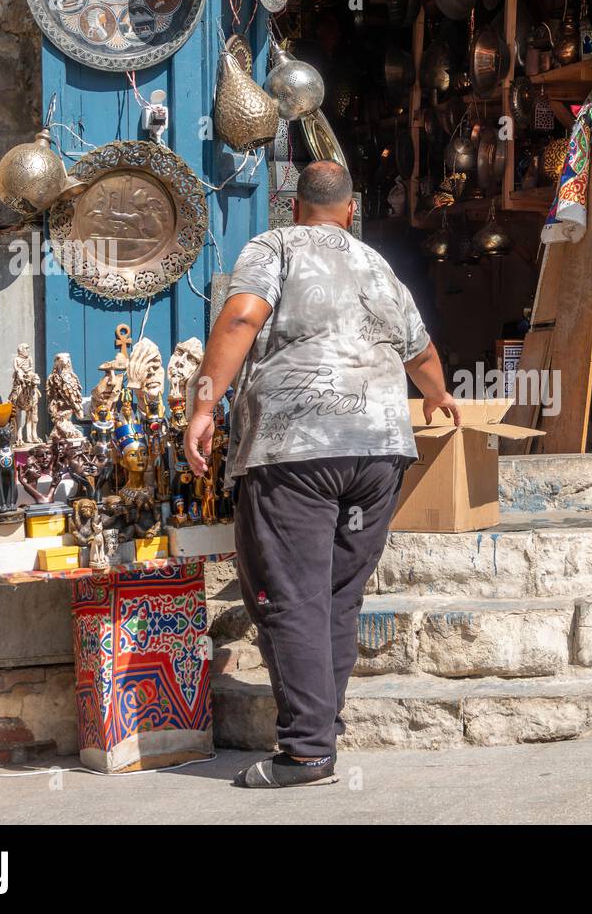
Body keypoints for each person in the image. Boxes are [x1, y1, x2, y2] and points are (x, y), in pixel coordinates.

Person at [185, 160, 459, 788]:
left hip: (297, 450)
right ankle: (320, 729)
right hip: (379, 452)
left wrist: (205, 405)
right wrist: (440, 397)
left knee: (290, 592)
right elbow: (420, 351)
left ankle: (307, 753)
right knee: (336, 595)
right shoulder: (377, 265)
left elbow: (240, 319)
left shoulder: (273, 246)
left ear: (294, 207)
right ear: (351, 209)